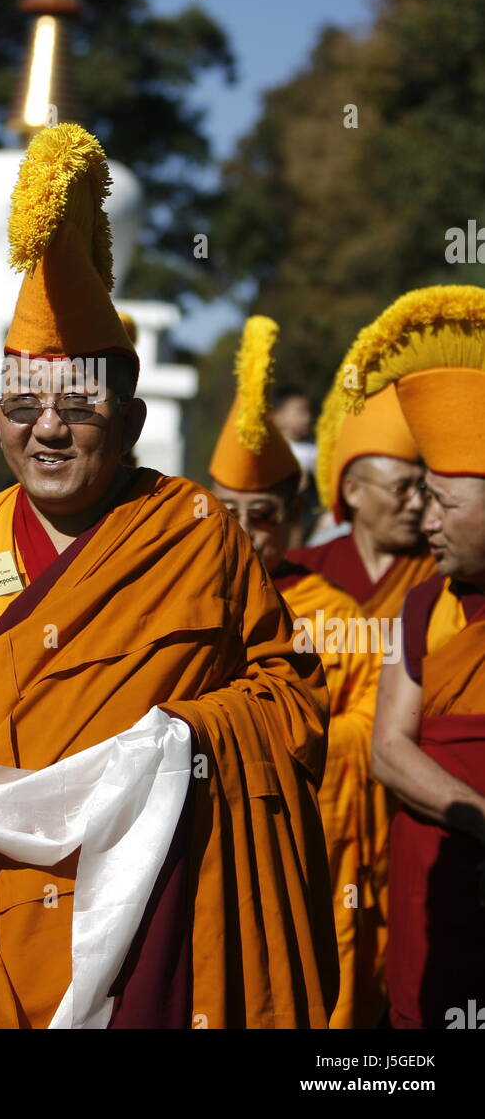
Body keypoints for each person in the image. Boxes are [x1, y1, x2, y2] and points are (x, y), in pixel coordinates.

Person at [0, 123, 339, 1029]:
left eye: (78, 406)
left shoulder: (194, 531)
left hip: (148, 895)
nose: (49, 430)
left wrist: (180, 739)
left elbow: (292, 704)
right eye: (25, 407)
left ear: (133, 419)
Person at [209, 316, 388, 1029]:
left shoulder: (337, 611)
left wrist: (269, 746)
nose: (246, 532)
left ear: (291, 520)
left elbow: (370, 725)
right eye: (225, 513)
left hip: (314, 837)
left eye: (262, 515)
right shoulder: (181, 602)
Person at [350, 286, 485, 1029]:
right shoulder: (425, 605)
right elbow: (389, 750)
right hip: (437, 877)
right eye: (421, 497)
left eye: (446, 503)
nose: (425, 521)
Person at [288, 359, 435, 621]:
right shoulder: (303, 573)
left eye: (421, 487)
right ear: (353, 491)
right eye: (401, 488)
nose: (416, 504)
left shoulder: (440, 570)